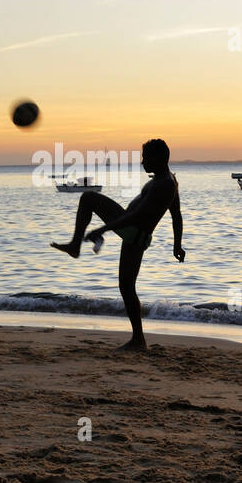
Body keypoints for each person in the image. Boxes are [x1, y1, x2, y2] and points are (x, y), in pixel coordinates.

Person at [52, 138, 185, 351]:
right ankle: (138, 339)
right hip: (132, 230)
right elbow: (176, 216)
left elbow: (141, 216)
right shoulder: (166, 179)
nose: (142, 162)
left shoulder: (165, 184)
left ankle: (138, 341)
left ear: (160, 158)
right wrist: (177, 245)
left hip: (135, 232)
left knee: (126, 286)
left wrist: (102, 229)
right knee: (126, 286)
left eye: (146, 157)